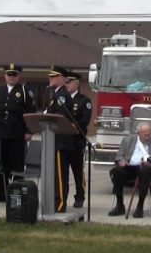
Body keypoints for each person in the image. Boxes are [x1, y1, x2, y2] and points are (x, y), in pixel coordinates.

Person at [0, 63, 35, 202]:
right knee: (2, 165)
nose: (11, 77)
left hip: (17, 134)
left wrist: (28, 131)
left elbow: (31, 112)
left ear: (18, 76)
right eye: (9, 75)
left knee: (17, 165)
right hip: (2, 133)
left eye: (14, 75)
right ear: (5, 76)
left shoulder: (25, 91)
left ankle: (17, 194)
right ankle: (2, 194)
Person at [108, 122, 151, 218]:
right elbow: (119, 156)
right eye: (145, 135)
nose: (148, 137)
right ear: (138, 133)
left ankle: (140, 206)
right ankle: (119, 205)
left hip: (146, 170)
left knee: (145, 171)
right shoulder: (127, 140)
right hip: (130, 168)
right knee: (117, 171)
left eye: (149, 134)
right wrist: (122, 161)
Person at [43, 65, 73, 212]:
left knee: (60, 175)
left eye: (53, 76)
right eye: (50, 76)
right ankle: (54, 201)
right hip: (53, 140)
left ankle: (60, 204)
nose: (50, 78)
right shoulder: (54, 94)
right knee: (55, 174)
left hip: (61, 140)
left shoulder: (62, 95)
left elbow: (60, 117)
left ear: (61, 78)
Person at [65, 71, 92, 209]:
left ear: (76, 84)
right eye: (66, 82)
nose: (67, 85)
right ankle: (62, 196)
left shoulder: (84, 101)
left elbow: (84, 120)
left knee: (77, 172)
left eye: (69, 82)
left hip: (76, 141)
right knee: (63, 172)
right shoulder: (62, 99)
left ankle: (80, 196)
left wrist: (71, 126)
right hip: (63, 141)